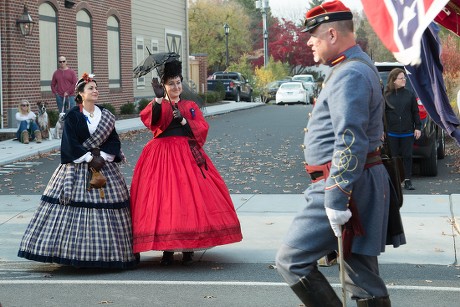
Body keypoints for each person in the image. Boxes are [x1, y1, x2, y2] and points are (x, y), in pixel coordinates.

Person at [275, 1, 405, 306]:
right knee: (360, 274)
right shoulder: (351, 66)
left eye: (314, 36)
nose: (309, 42)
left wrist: (335, 197)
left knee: (291, 260)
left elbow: (350, 140)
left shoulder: (351, 74)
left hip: (343, 185)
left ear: (332, 34)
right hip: (357, 182)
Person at [18, 73, 137, 269]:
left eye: (96, 88)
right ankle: (74, 253)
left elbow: (114, 140)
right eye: (91, 88)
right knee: (73, 209)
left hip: (104, 167)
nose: (95, 90)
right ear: (80, 94)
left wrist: (104, 157)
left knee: (107, 210)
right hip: (78, 167)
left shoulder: (106, 114)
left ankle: (107, 254)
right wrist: (90, 158)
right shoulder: (73, 115)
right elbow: (69, 143)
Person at [130, 60, 242, 266]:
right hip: (160, 155)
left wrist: (183, 120)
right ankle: (167, 250)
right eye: (171, 83)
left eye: (178, 82)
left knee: (188, 199)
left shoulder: (189, 106)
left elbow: (202, 128)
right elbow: (152, 123)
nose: (176, 87)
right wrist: (157, 100)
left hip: (187, 153)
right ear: (163, 86)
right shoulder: (159, 104)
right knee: (164, 200)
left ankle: (189, 247)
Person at [384, 68, 421, 190]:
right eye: (401, 78)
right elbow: (381, 115)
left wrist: (418, 127)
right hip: (392, 132)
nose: (404, 80)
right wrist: (381, 131)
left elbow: (415, 112)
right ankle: (395, 181)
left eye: (404, 77)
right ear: (394, 80)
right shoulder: (386, 96)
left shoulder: (409, 94)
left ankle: (408, 180)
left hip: (407, 132)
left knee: (407, 156)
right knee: (393, 158)